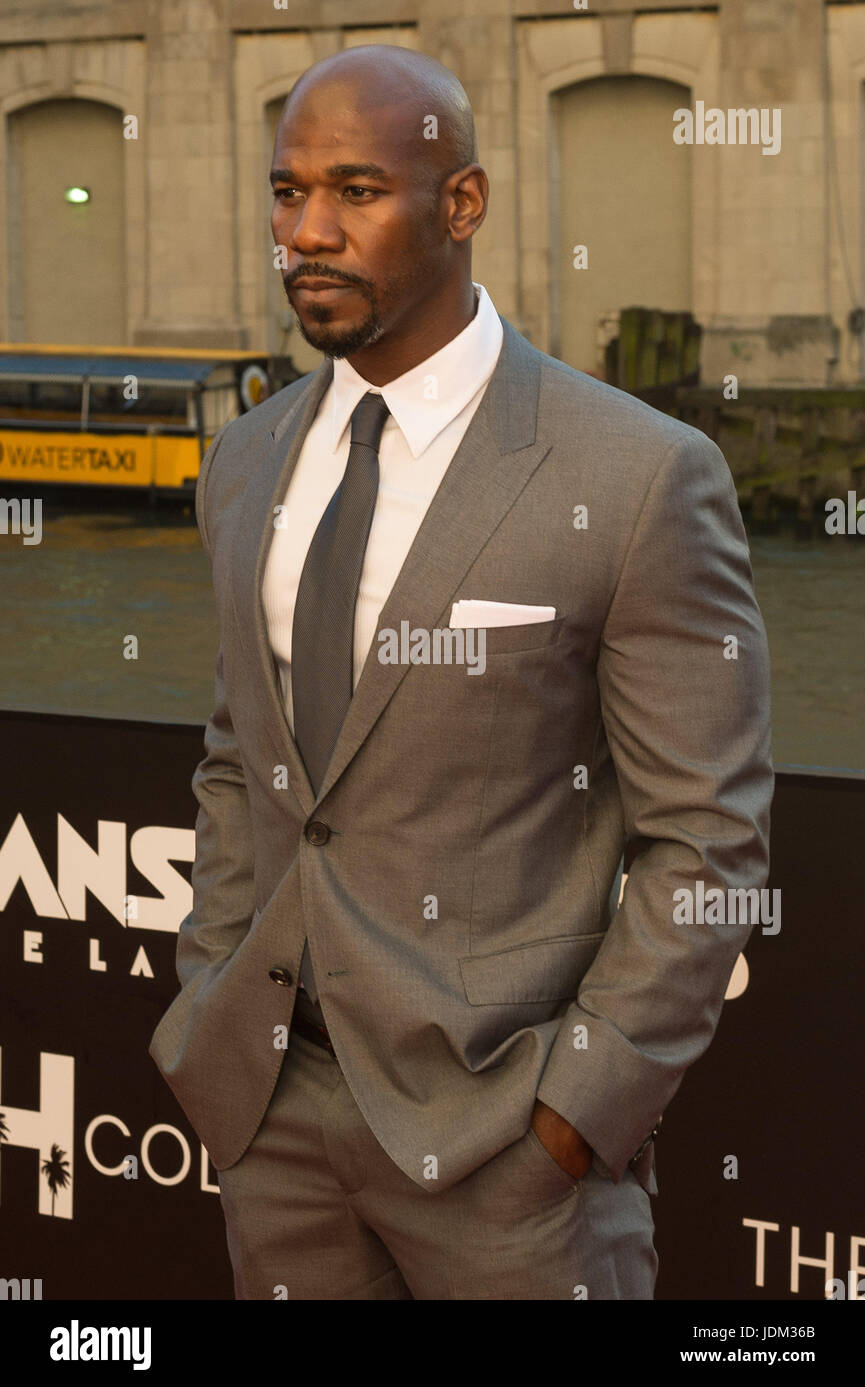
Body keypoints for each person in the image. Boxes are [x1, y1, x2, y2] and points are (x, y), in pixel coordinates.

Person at [149, 43, 774, 1300]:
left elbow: (706, 842)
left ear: (462, 203)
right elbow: (240, 759)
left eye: (356, 190)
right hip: (274, 1122)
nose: (307, 232)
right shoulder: (248, 462)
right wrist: (212, 996)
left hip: (513, 1161)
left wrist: (577, 1115)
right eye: (285, 193)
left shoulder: (635, 474)